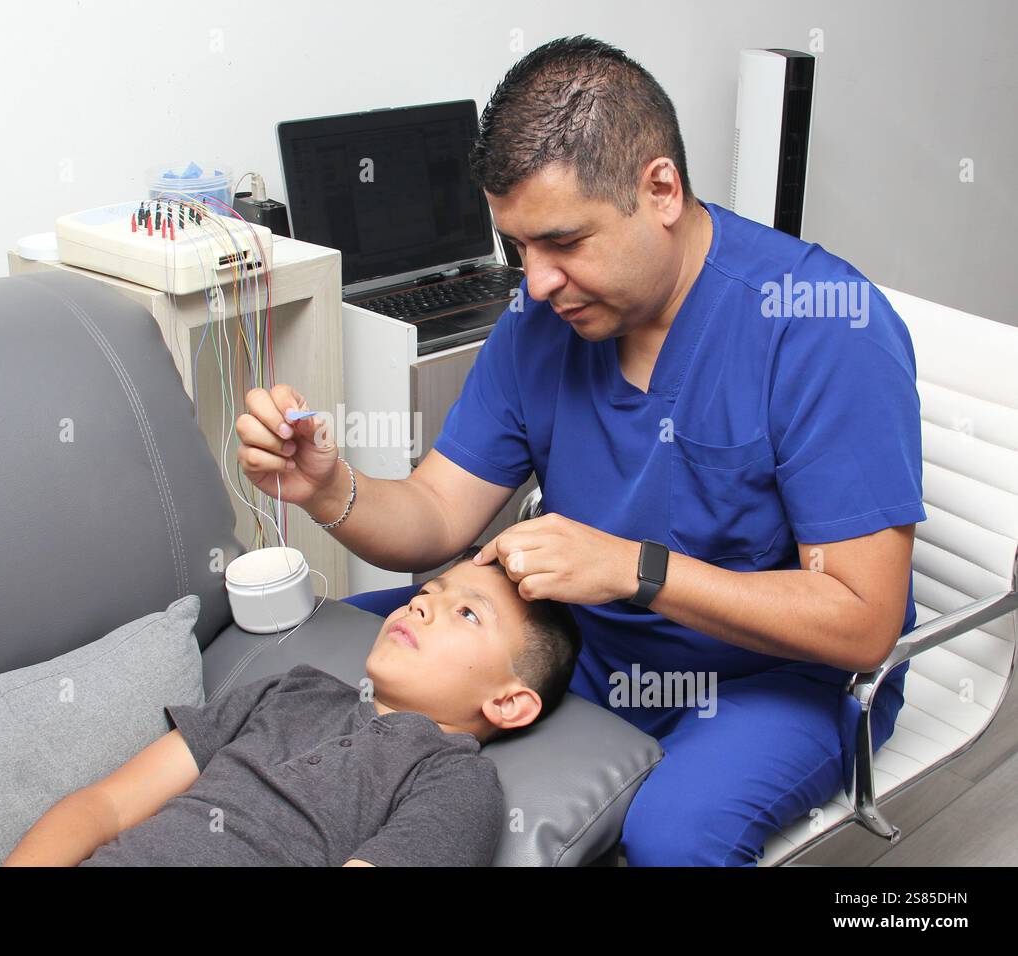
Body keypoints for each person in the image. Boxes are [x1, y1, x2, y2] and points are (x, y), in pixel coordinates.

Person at [234, 36, 923, 866]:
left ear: (660, 189)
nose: (535, 283)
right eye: (517, 248)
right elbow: (433, 516)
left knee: (672, 837)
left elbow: (862, 622)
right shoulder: (541, 325)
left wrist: (636, 568)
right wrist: (328, 487)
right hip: (580, 644)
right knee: (305, 650)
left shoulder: (819, 326)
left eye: (563, 242)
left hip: (770, 680)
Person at [2, 547, 581, 866]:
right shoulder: (289, 692)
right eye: (426, 594)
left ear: (508, 703)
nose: (420, 607)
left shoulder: (453, 782)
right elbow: (105, 806)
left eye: (468, 613)